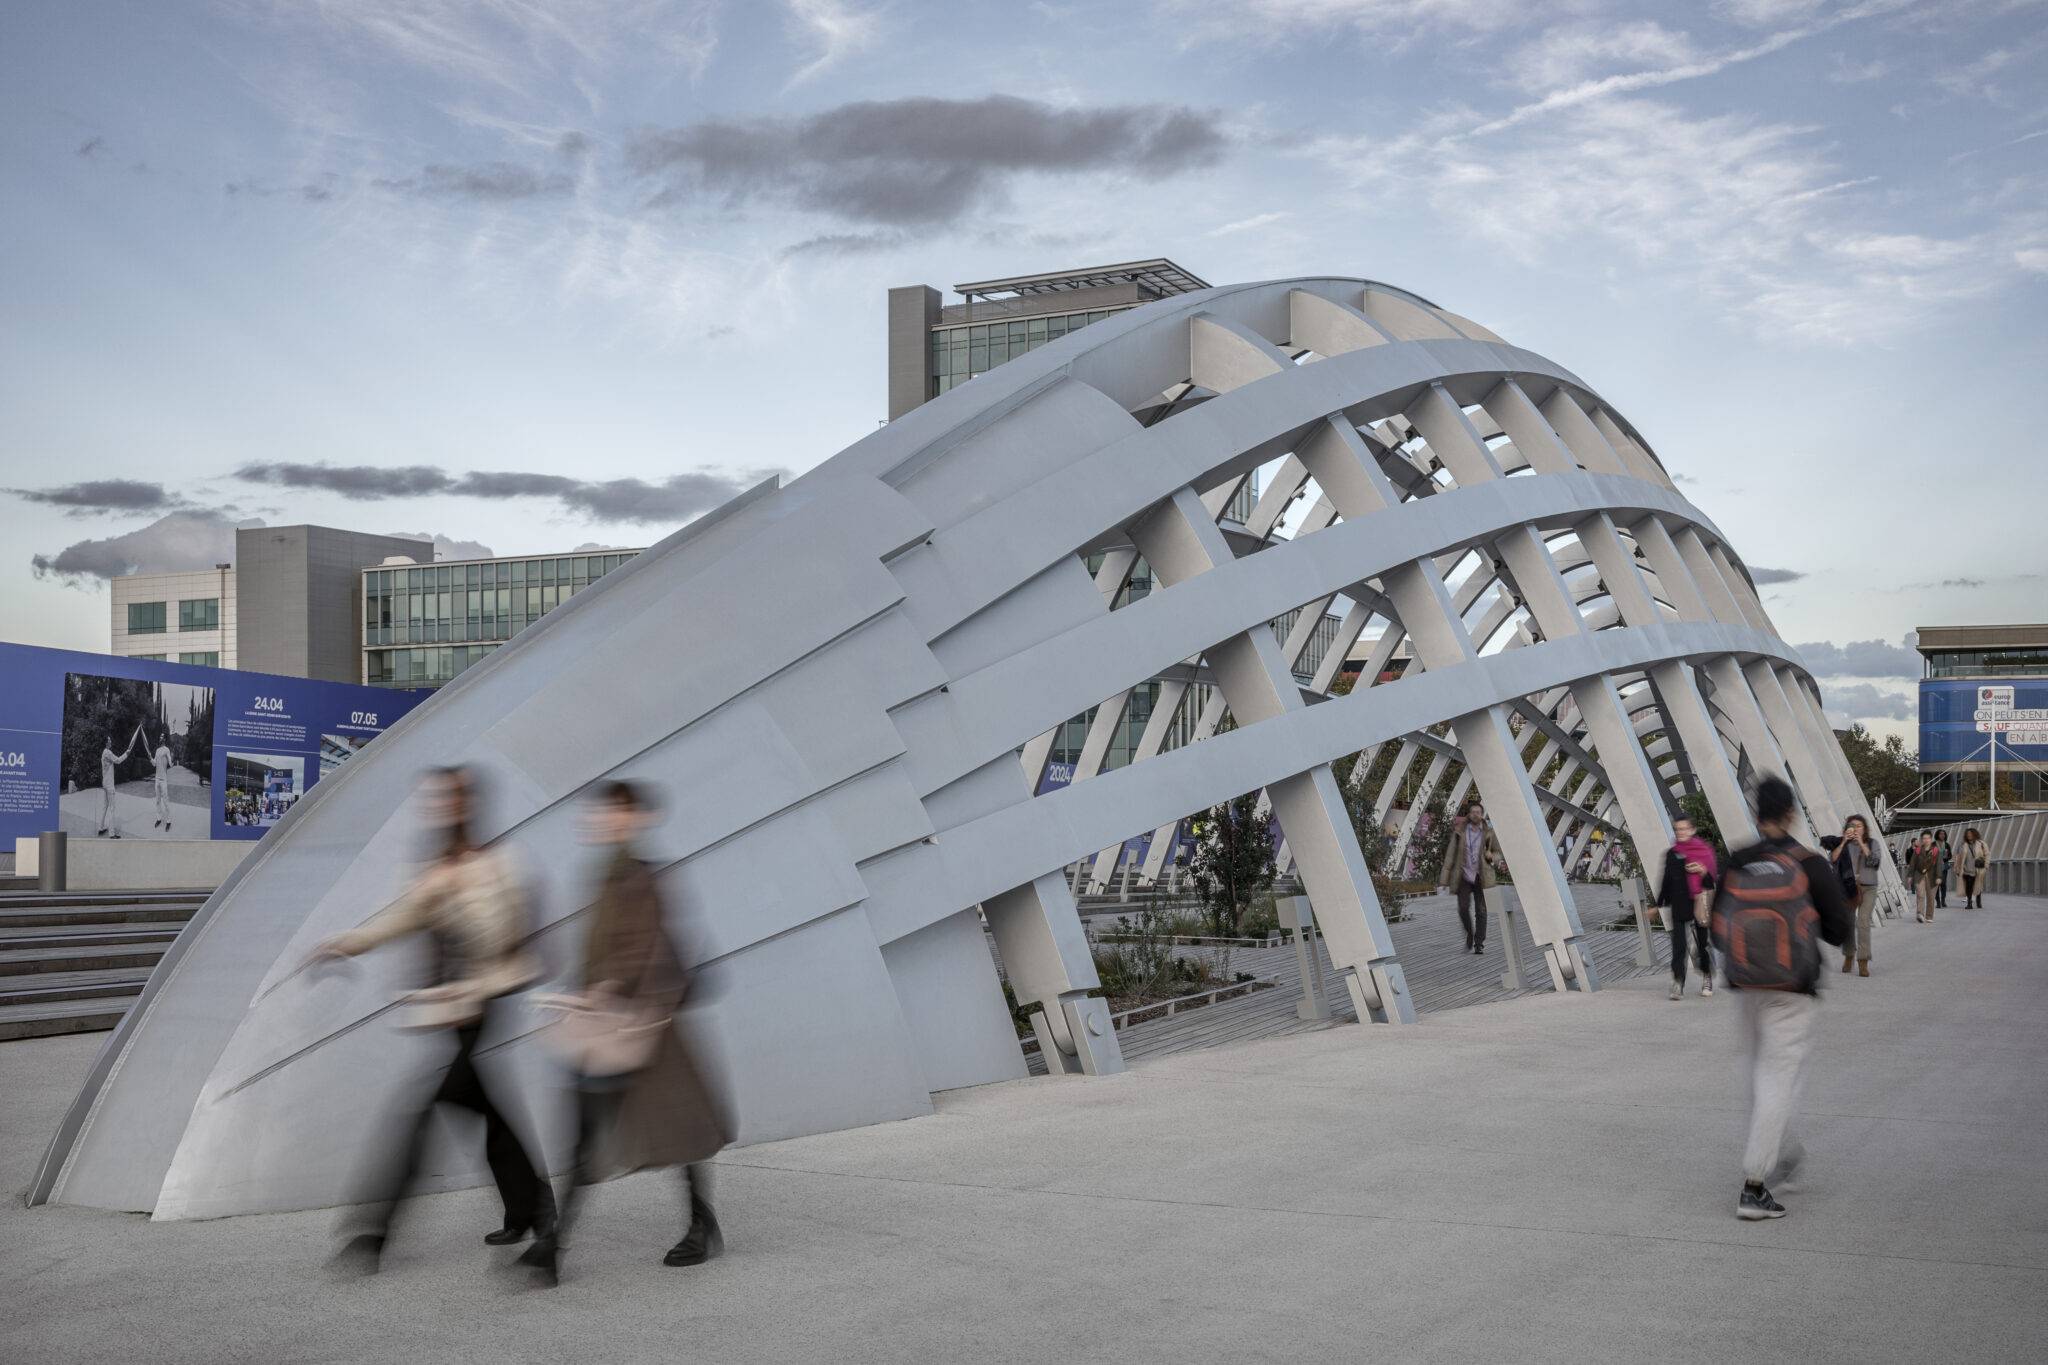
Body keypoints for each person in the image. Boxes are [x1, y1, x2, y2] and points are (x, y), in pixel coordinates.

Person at [305, 766, 556, 1275]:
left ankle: (372, 1235)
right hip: (453, 1010)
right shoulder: (437, 867)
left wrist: (457, 898)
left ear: (466, 805)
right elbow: (403, 917)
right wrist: (347, 943)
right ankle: (534, 1210)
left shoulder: (496, 863)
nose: (437, 808)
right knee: (488, 1110)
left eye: (447, 800)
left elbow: (504, 933)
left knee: (419, 1114)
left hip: (486, 1003)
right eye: (434, 801)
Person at [521, 780, 732, 1283]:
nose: (601, 820)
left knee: (673, 1134)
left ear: (635, 818)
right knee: (586, 1133)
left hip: (640, 1027)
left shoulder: (641, 876)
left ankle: (701, 1224)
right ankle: (553, 1246)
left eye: (613, 813)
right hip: (605, 1026)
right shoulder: (605, 873)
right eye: (600, 812)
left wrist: (610, 986)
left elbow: (646, 945)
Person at [1711, 776, 1850, 1221]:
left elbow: (1716, 924)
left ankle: (1781, 1154)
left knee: (1759, 1077)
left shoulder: (1739, 861)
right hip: (1792, 991)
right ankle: (1755, 1186)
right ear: (1791, 814)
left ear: (1756, 814)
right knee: (1778, 1080)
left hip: (1746, 986)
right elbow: (1839, 929)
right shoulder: (1808, 862)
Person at [1655, 816, 1718, 1001]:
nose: (1680, 833)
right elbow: (1666, 878)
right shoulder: (1672, 853)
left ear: (1692, 830)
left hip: (1699, 901)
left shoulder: (1704, 851)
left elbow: (1710, 881)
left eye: (1684, 829)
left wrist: (1702, 871)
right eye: (1677, 829)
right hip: (1679, 902)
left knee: (1702, 944)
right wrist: (1658, 903)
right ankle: (1678, 981)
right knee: (1679, 946)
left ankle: (1707, 974)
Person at [1438, 800, 1506, 954]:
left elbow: (1498, 852)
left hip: (1482, 876)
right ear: (1469, 814)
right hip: (1463, 875)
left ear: (1482, 815)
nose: (1475, 815)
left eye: (1478, 812)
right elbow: (1450, 856)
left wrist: (1492, 856)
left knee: (1481, 911)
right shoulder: (1459, 832)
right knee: (1462, 908)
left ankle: (1479, 943)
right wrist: (1443, 880)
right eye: (1473, 812)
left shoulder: (1489, 833)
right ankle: (1470, 932)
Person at [1831, 816, 1879, 977]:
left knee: (1863, 921)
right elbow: (1833, 859)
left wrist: (1862, 844)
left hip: (1869, 888)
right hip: (1849, 888)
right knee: (1849, 922)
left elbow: (1874, 863)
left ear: (1864, 828)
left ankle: (1863, 961)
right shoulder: (1842, 843)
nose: (1856, 828)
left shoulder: (1872, 843)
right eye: (1853, 826)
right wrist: (1844, 842)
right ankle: (1849, 955)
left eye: (1859, 826)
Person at [96, 725, 139, 837]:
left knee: (105, 806)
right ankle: (112, 834)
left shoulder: (103, 753)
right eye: (109, 740)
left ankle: (101, 828)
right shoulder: (108, 753)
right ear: (106, 742)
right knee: (112, 808)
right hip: (109, 785)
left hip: (105, 783)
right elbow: (118, 760)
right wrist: (127, 753)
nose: (111, 742)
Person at [146, 730, 175, 832]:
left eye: (162, 736)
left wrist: (172, 760)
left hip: (164, 780)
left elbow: (170, 764)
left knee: (165, 801)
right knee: (157, 800)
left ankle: (168, 821)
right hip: (157, 779)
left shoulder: (166, 750)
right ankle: (159, 818)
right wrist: (150, 758)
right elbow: (154, 764)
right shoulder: (157, 750)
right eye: (160, 736)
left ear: (165, 739)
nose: (160, 738)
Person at [1909, 833, 1939, 923]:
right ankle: (1920, 914)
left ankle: (1929, 916)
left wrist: (1939, 877)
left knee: (1930, 897)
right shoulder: (1917, 850)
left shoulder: (1936, 850)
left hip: (1932, 876)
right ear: (1922, 840)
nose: (1926, 840)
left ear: (1931, 839)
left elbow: (1939, 865)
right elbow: (1912, 863)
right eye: (1924, 838)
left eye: (1928, 838)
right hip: (1919, 875)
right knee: (1920, 894)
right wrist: (1910, 875)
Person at [1957, 828, 1989, 909]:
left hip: (1978, 868)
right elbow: (1958, 857)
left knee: (1978, 885)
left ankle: (1978, 899)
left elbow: (1987, 854)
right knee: (1969, 886)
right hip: (1966, 869)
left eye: (1971, 834)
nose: (1969, 835)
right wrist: (1958, 868)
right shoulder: (1963, 844)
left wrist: (1986, 866)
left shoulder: (1981, 843)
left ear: (1975, 834)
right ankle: (1969, 903)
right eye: (1968, 834)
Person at [1933, 830, 1952, 910]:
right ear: (1937, 835)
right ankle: (1938, 902)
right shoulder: (1933, 844)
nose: (1942, 835)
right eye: (1941, 834)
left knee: (1943, 883)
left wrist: (1947, 856)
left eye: (1944, 834)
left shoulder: (1947, 844)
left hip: (1944, 866)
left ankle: (1943, 900)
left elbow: (1950, 855)